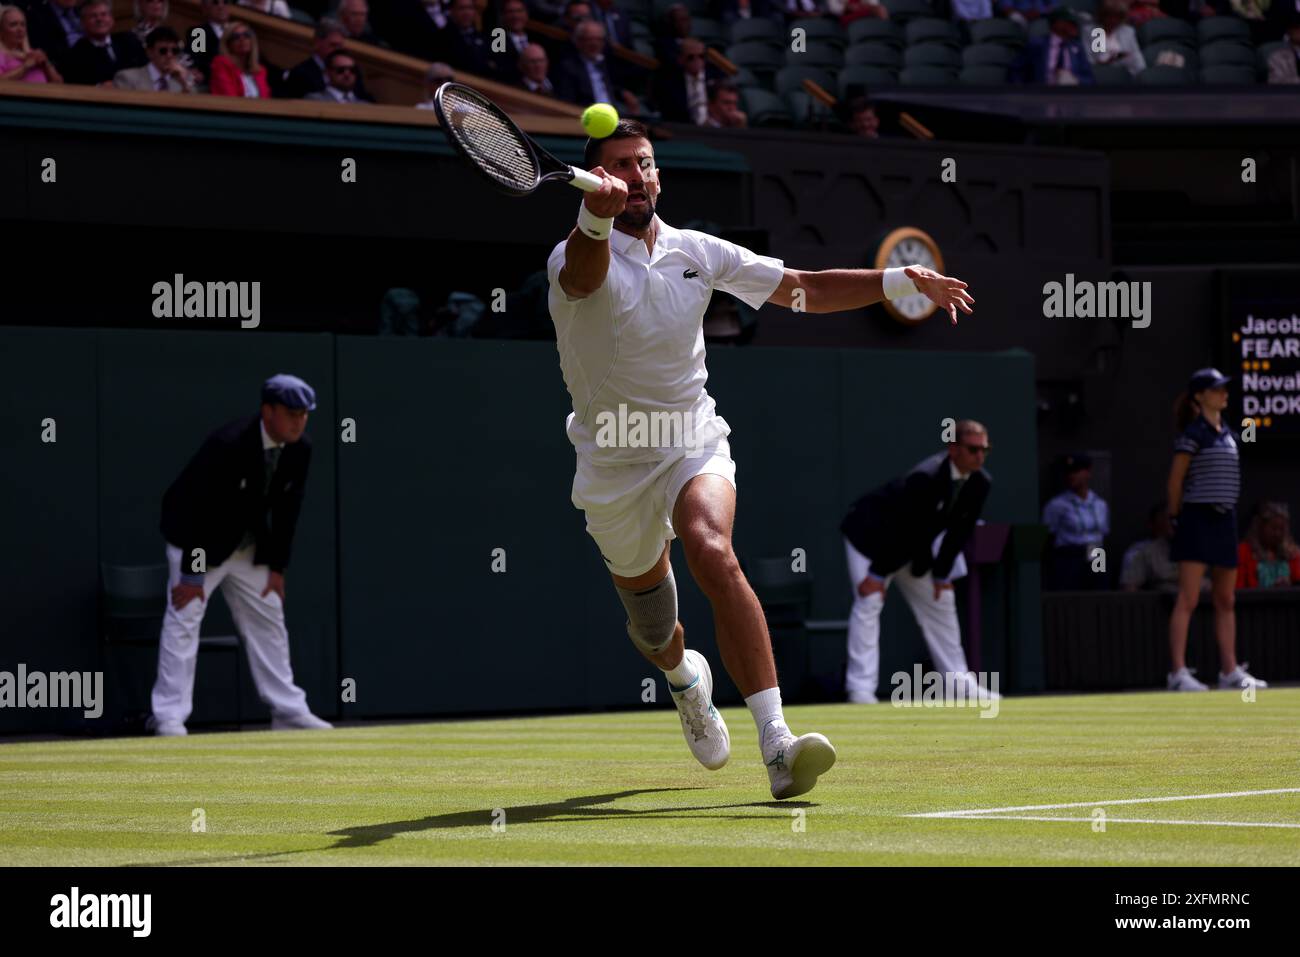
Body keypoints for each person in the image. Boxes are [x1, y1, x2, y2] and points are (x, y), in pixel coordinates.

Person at [545, 119, 973, 798]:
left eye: (647, 163)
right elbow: (583, 280)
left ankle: (777, 742)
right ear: (599, 178)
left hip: (691, 439)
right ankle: (686, 679)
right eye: (622, 165)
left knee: (712, 549)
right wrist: (592, 224)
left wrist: (894, 279)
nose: (637, 176)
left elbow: (801, 285)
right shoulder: (572, 254)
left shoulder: (697, 251)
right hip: (611, 463)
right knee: (656, 632)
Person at [149, 375, 333, 736]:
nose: (299, 421)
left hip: (247, 546)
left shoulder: (300, 448)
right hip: (196, 541)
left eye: (304, 414)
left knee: (270, 617)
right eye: (292, 413)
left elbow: (287, 512)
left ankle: (288, 711)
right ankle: (168, 716)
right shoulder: (227, 444)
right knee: (184, 617)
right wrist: (192, 574)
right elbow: (196, 510)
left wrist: (276, 568)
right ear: (268, 411)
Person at [841, 422, 998, 704]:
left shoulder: (980, 483)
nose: (980, 456)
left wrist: (941, 574)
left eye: (984, 449)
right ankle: (860, 689)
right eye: (973, 449)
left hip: (914, 545)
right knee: (870, 600)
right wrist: (877, 574)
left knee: (943, 598)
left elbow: (959, 532)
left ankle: (960, 682)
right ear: (954, 449)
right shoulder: (924, 478)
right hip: (870, 537)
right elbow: (901, 531)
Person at [1166, 368, 1266, 691]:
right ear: (1200, 396)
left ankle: (1228, 671)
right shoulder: (1192, 435)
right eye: (1216, 389)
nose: (1224, 393)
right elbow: (1176, 481)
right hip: (1196, 520)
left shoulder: (1230, 436)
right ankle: (1178, 673)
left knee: (1226, 598)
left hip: (1225, 521)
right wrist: (1176, 516)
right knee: (1189, 598)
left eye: (1224, 389)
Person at [1042, 452, 1110, 590]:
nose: (1072, 476)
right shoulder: (1057, 505)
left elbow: (1104, 533)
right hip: (1070, 555)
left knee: (1100, 589)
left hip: (1096, 551)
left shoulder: (1100, 504)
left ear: (1088, 472)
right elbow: (1048, 536)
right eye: (1069, 472)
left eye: (1077, 471)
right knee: (1070, 593)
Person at [553, 18, 640, 114]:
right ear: (578, 42)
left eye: (599, 39)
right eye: (589, 39)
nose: (595, 44)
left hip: (612, 116)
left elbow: (613, 88)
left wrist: (624, 93)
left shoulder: (607, 64)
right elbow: (567, 102)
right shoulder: (568, 68)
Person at [282, 17, 373, 99]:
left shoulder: (352, 71)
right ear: (317, 44)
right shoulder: (300, 74)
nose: (338, 51)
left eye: (340, 46)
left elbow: (362, 98)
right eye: (333, 45)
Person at [61, 0, 146, 86]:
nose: (99, 19)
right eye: (93, 16)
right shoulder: (76, 54)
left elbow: (145, 69)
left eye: (104, 14)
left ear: (112, 19)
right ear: (83, 23)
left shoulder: (129, 41)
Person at [1012, 7, 1095, 85]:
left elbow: (1090, 79)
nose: (1075, 27)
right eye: (1070, 23)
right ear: (1057, 23)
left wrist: (1076, 80)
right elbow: (1016, 72)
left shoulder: (1077, 48)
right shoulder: (1037, 44)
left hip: (1070, 96)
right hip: (1040, 96)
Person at [1119, 504, 1182, 592]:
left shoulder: (1199, 550)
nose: (1174, 524)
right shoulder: (1143, 552)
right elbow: (1129, 590)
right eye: (1169, 519)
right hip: (1163, 602)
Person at [1237, 502, 1300, 588]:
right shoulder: (1244, 551)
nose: (1277, 533)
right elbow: (1238, 588)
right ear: (1260, 526)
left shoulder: (1292, 553)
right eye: (1273, 528)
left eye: (1281, 529)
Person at [113, 25, 194, 91]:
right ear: (150, 52)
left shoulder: (183, 80)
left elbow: (197, 105)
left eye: (174, 51)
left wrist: (184, 83)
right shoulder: (127, 78)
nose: (169, 55)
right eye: (163, 50)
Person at [0, 4, 64, 83]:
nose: (20, 29)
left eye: (22, 24)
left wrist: (46, 64)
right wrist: (26, 66)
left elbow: (59, 84)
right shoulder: (2, 55)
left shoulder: (32, 54)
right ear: (1, 30)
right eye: (13, 24)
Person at [209, 20, 269, 97]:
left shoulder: (260, 70)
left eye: (246, 35)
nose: (242, 39)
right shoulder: (221, 64)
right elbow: (229, 98)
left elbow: (266, 100)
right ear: (228, 44)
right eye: (236, 37)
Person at [1088, 0, 1146, 77]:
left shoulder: (1128, 31)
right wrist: (1110, 60)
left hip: (1126, 74)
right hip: (1101, 75)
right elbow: (1092, 60)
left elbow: (1137, 57)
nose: (1113, 20)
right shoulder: (1094, 31)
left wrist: (1143, 74)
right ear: (1103, 15)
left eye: (1117, 17)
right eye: (1110, 16)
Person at [1266, 17, 1300, 84]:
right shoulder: (1277, 57)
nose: (1299, 31)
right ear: (1289, 31)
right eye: (1296, 28)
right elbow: (1276, 83)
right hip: (1289, 94)